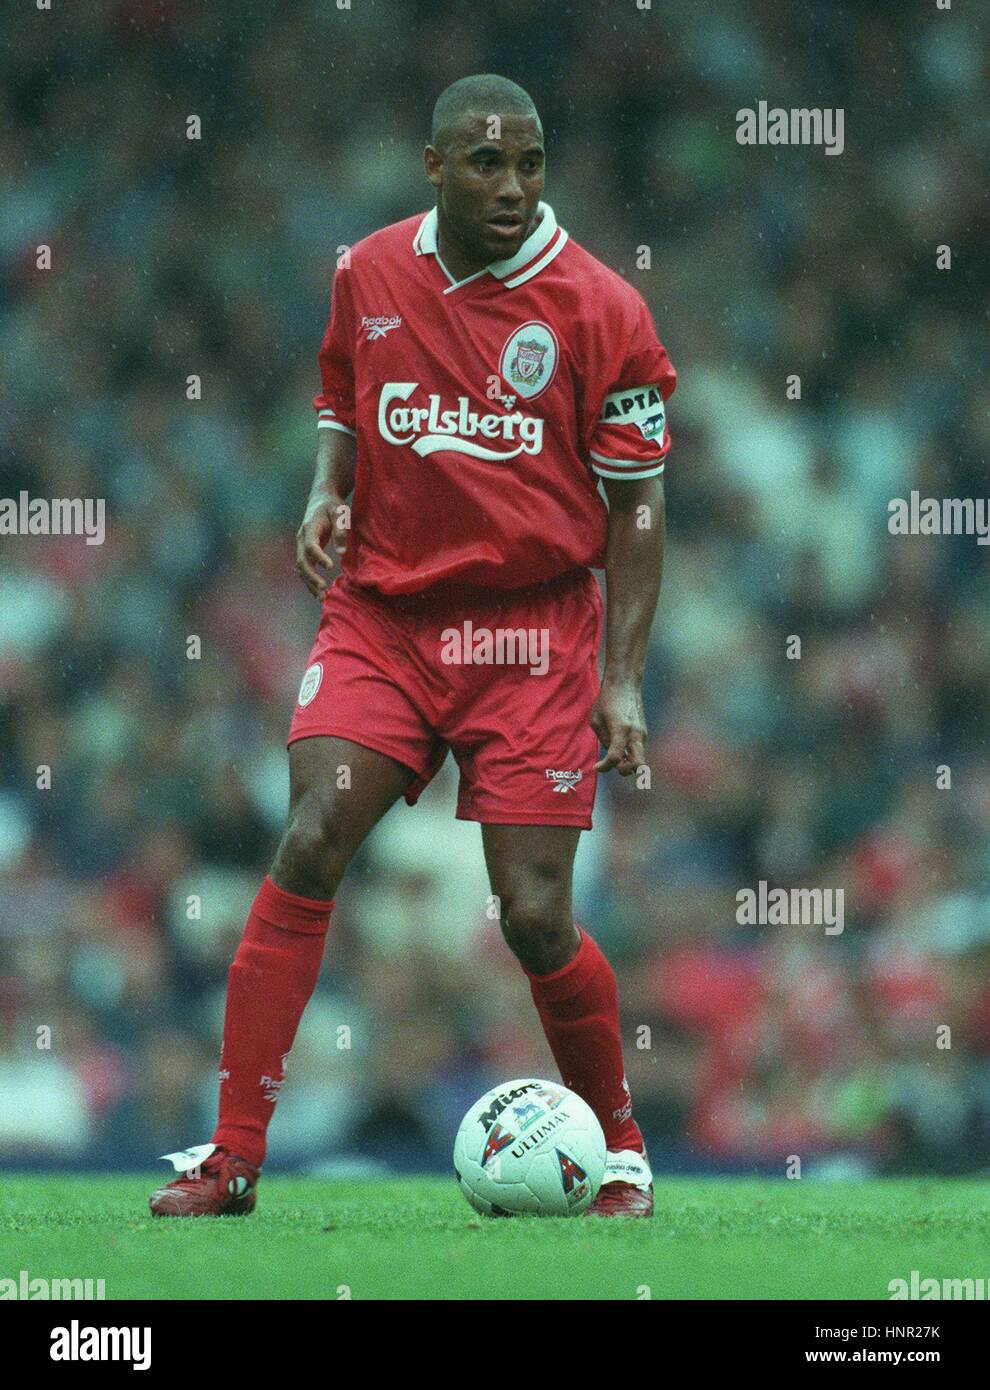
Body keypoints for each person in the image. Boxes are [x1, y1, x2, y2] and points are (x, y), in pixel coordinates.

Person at [150, 73, 676, 1219]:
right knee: (312, 832)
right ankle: (233, 1155)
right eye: (486, 165)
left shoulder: (602, 309)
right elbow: (343, 395)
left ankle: (622, 1149)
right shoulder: (368, 270)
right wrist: (325, 489)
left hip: (534, 633)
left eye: (530, 165)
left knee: (534, 914)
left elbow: (636, 507)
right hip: (385, 616)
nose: (511, 187)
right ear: (434, 165)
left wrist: (623, 677)